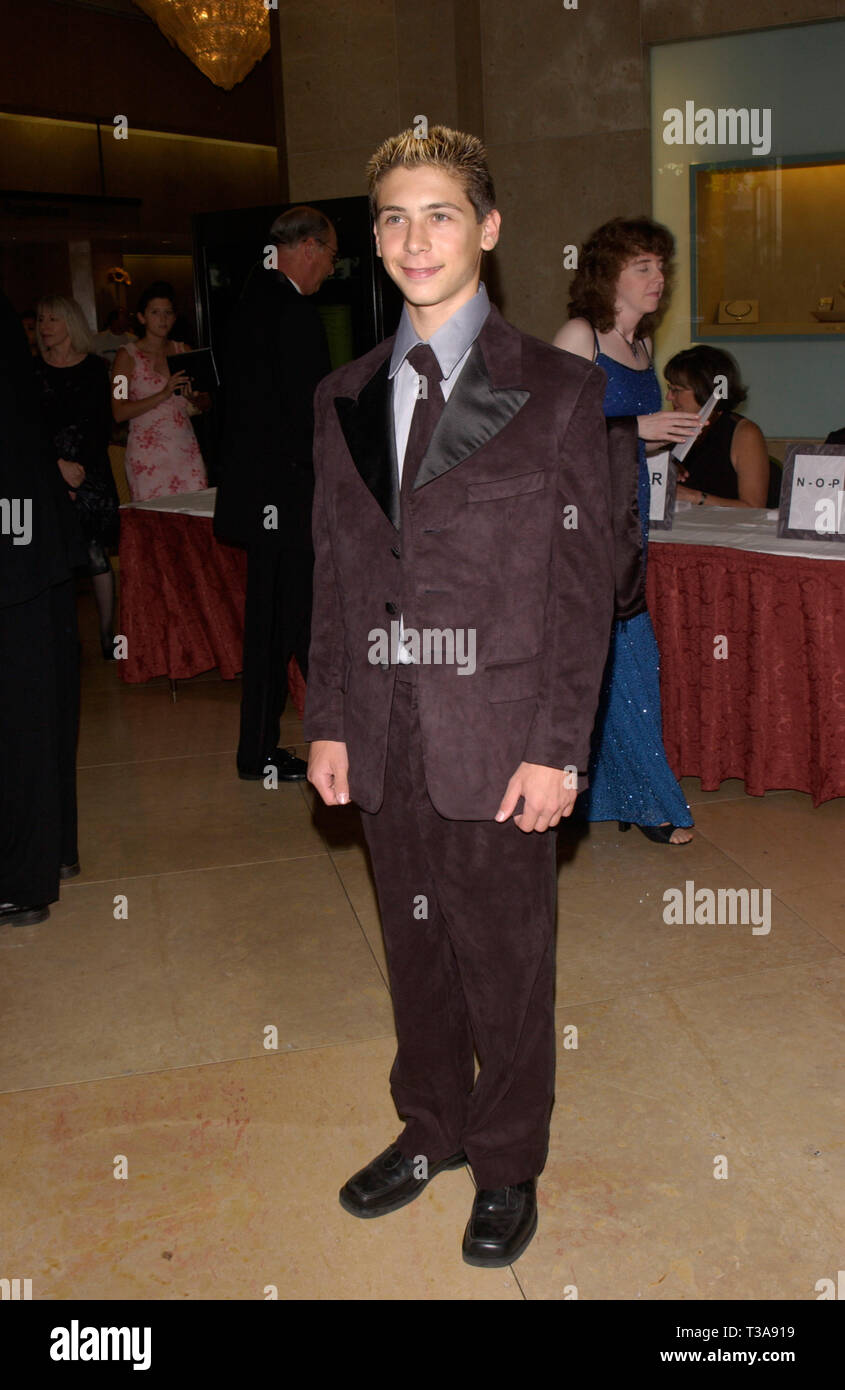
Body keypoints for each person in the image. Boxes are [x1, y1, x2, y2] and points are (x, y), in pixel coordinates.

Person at [305, 126, 619, 1266]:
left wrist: (557, 747)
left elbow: (583, 594)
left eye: (438, 212)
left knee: (503, 955)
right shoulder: (340, 395)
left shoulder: (557, 392)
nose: (412, 237)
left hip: (497, 736)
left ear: (485, 229)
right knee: (415, 942)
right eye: (391, 216)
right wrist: (329, 716)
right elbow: (336, 574)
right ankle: (428, 1123)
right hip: (383, 733)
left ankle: (505, 1157)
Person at [553, 216, 697, 845]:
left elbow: (627, 442)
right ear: (607, 276)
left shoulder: (641, 350)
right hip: (579, 527)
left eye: (661, 267)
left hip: (625, 524)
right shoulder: (579, 335)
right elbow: (544, 433)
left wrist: (669, 441)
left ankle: (620, 797)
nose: (657, 279)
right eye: (642, 267)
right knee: (610, 662)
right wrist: (639, 431)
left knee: (626, 661)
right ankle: (649, 804)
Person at [214, 207, 335, 783]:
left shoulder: (245, 306)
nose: (329, 271)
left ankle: (264, 746)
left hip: (261, 498)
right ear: (307, 247)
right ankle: (325, 735)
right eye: (330, 257)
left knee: (279, 624)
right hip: (288, 499)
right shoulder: (293, 313)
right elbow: (310, 417)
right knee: (293, 622)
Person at [0, 290, 87, 926]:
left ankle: (23, 878)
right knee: (40, 706)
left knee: (22, 715)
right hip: (32, 541)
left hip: (18, 547)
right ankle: (50, 854)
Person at [33, 295, 120, 659]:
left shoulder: (97, 368)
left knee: (95, 554)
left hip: (91, 475)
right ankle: (67, 642)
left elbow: (104, 423)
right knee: (56, 559)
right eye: (41, 320)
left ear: (70, 323)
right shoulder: (31, 370)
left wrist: (78, 473)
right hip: (48, 473)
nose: (44, 326)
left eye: (52, 319)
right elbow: (29, 429)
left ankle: (107, 637)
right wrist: (58, 470)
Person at [112, 281, 208, 501]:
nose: (163, 319)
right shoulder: (125, 357)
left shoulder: (183, 350)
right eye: (155, 312)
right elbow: (118, 410)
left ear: (174, 318)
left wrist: (194, 397)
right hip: (147, 457)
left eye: (168, 313)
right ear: (142, 317)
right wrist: (163, 394)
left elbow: (206, 402)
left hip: (184, 449)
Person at [665, 345, 776, 508]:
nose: (669, 396)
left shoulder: (744, 433)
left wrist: (691, 496)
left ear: (705, 390)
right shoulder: (670, 429)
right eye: (670, 388)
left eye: (677, 390)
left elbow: (753, 507)